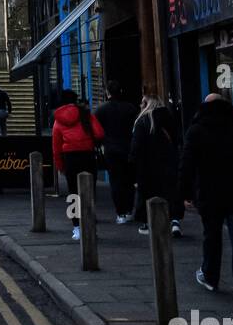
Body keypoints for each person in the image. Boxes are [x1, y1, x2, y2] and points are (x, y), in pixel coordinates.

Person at [180, 93, 233, 300]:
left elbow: (186, 165)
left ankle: (210, 276)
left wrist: (184, 193)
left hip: (210, 193)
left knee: (212, 236)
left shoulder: (196, 131)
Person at [52, 89, 104, 242]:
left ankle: (76, 228)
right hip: (87, 156)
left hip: (70, 159)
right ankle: (90, 227)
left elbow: (56, 146)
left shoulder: (58, 120)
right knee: (89, 192)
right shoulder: (86, 114)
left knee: (73, 193)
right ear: (75, 100)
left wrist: (61, 166)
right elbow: (100, 133)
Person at [130, 94, 183, 237]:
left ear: (148, 103)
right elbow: (177, 140)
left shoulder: (142, 121)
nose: (140, 105)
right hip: (168, 162)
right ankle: (174, 221)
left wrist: (133, 165)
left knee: (148, 193)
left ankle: (148, 223)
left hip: (147, 165)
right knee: (170, 192)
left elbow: (136, 147)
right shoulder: (168, 118)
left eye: (143, 102)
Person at [97, 81, 138, 224]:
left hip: (111, 149)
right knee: (129, 180)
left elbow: (96, 130)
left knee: (116, 181)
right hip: (128, 148)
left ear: (107, 92)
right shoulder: (130, 108)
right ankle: (128, 210)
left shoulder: (101, 110)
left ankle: (120, 212)